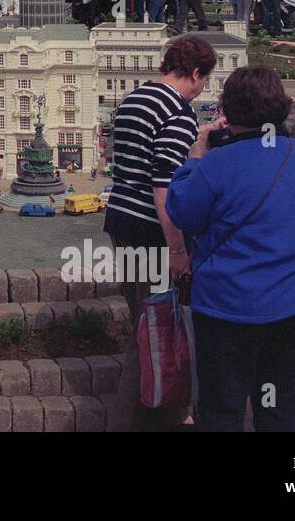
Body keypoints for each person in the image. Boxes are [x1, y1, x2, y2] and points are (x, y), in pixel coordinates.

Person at [168, 66, 295, 431]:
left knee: (223, 410)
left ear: (228, 111)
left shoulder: (217, 165)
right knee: (281, 411)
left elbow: (182, 210)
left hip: (233, 306)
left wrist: (195, 156)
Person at [103, 35, 217, 430]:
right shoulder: (179, 113)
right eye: (204, 80)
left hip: (120, 220)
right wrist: (177, 249)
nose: (202, 89)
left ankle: (167, 412)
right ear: (197, 73)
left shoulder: (133, 100)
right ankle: (129, 421)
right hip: (152, 228)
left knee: (147, 322)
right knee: (152, 330)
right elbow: (164, 182)